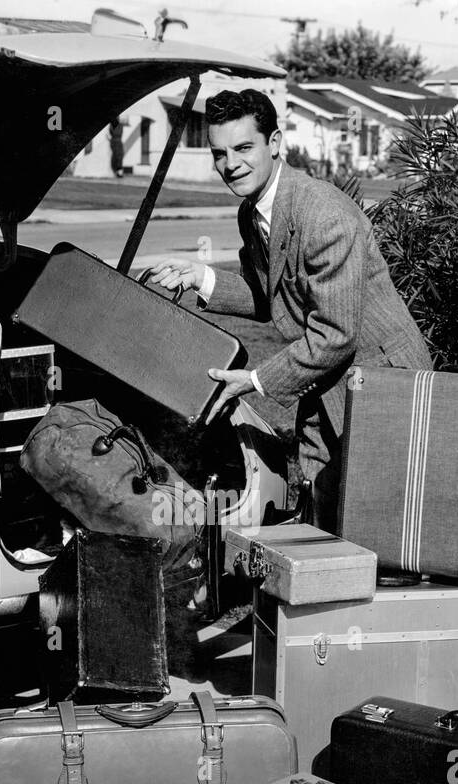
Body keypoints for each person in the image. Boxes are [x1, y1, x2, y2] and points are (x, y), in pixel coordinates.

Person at [145, 89, 431, 531]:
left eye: (243, 148)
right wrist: (201, 277)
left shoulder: (323, 214)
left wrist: (255, 381)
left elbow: (335, 334)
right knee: (323, 504)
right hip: (325, 376)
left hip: (382, 376)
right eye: (219, 154)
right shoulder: (252, 212)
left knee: (389, 520)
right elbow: (271, 297)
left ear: (275, 143)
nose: (230, 164)